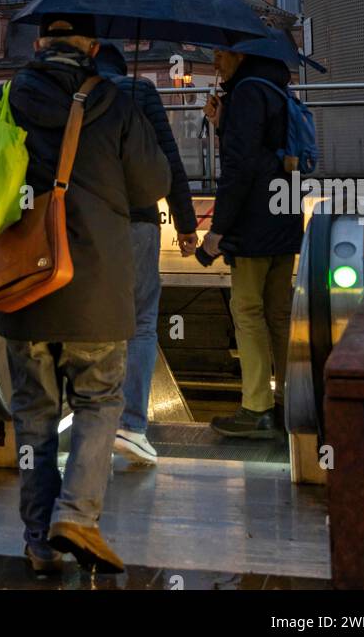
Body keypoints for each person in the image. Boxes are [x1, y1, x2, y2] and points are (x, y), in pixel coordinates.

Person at [0, 14, 170, 576]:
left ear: (40, 45)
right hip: (96, 289)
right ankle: (76, 514)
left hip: (22, 288)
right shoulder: (117, 101)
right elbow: (154, 186)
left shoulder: (1, 100)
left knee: (34, 418)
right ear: (92, 48)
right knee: (99, 404)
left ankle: (39, 540)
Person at [94, 44, 198, 467]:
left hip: (84, 225)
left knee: (90, 323)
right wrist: (187, 222)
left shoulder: (77, 95)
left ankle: (92, 422)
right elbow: (169, 158)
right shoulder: (140, 92)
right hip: (136, 221)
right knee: (139, 323)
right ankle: (132, 426)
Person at [200, 40, 301, 438]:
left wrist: (218, 231)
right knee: (278, 314)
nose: (215, 62)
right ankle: (288, 402)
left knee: (247, 311)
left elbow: (239, 168)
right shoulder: (278, 87)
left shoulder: (246, 92)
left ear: (240, 53)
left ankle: (255, 407)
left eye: (220, 54)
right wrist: (224, 124)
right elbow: (267, 152)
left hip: (255, 223)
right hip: (286, 214)